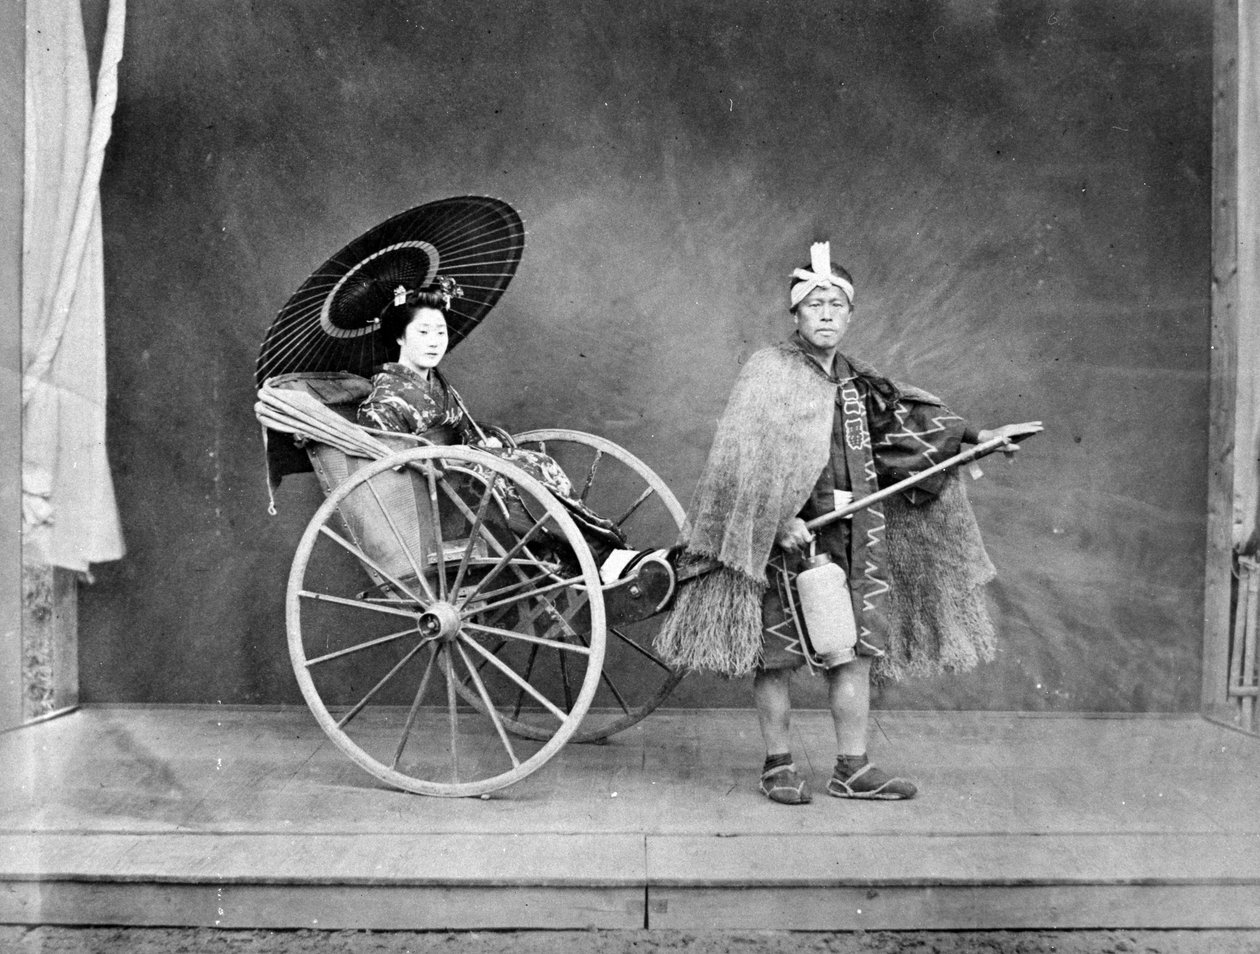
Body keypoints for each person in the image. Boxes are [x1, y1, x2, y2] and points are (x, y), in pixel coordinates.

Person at [654, 242, 1041, 805]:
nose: (827, 314)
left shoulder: (861, 382)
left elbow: (914, 422)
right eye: (815, 304)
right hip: (781, 540)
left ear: (851, 314)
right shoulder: (769, 373)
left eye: (837, 303)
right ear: (796, 314)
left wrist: (984, 437)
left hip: (856, 533)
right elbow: (740, 460)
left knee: (852, 650)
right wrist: (777, 520)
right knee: (776, 655)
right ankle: (778, 765)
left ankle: (852, 768)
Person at [358, 279, 626, 560]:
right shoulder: (383, 401)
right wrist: (455, 455)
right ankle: (589, 553)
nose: (434, 341)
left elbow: (466, 435)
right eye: (423, 332)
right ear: (400, 336)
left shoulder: (439, 385)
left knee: (538, 463)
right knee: (507, 475)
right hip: (437, 498)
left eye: (440, 331)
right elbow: (394, 472)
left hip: (463, 476)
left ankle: (598, 545)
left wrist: (481, 442)